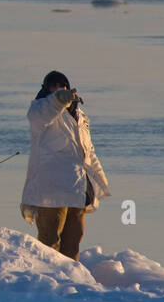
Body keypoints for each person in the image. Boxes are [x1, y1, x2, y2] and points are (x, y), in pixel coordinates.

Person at [20, 71, 110, 261]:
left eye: (62, 86)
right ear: (46, 89)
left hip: (77, 190)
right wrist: (57, 100)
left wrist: (100, 179)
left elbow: (89, 152)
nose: (58, 89)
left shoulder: (80, 117)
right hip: (51, 193)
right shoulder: (39, 110)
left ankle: (72, 281)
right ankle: (48, 280)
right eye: (53, 86)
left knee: (73, 243)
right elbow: (43, 113)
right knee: (49, 243)